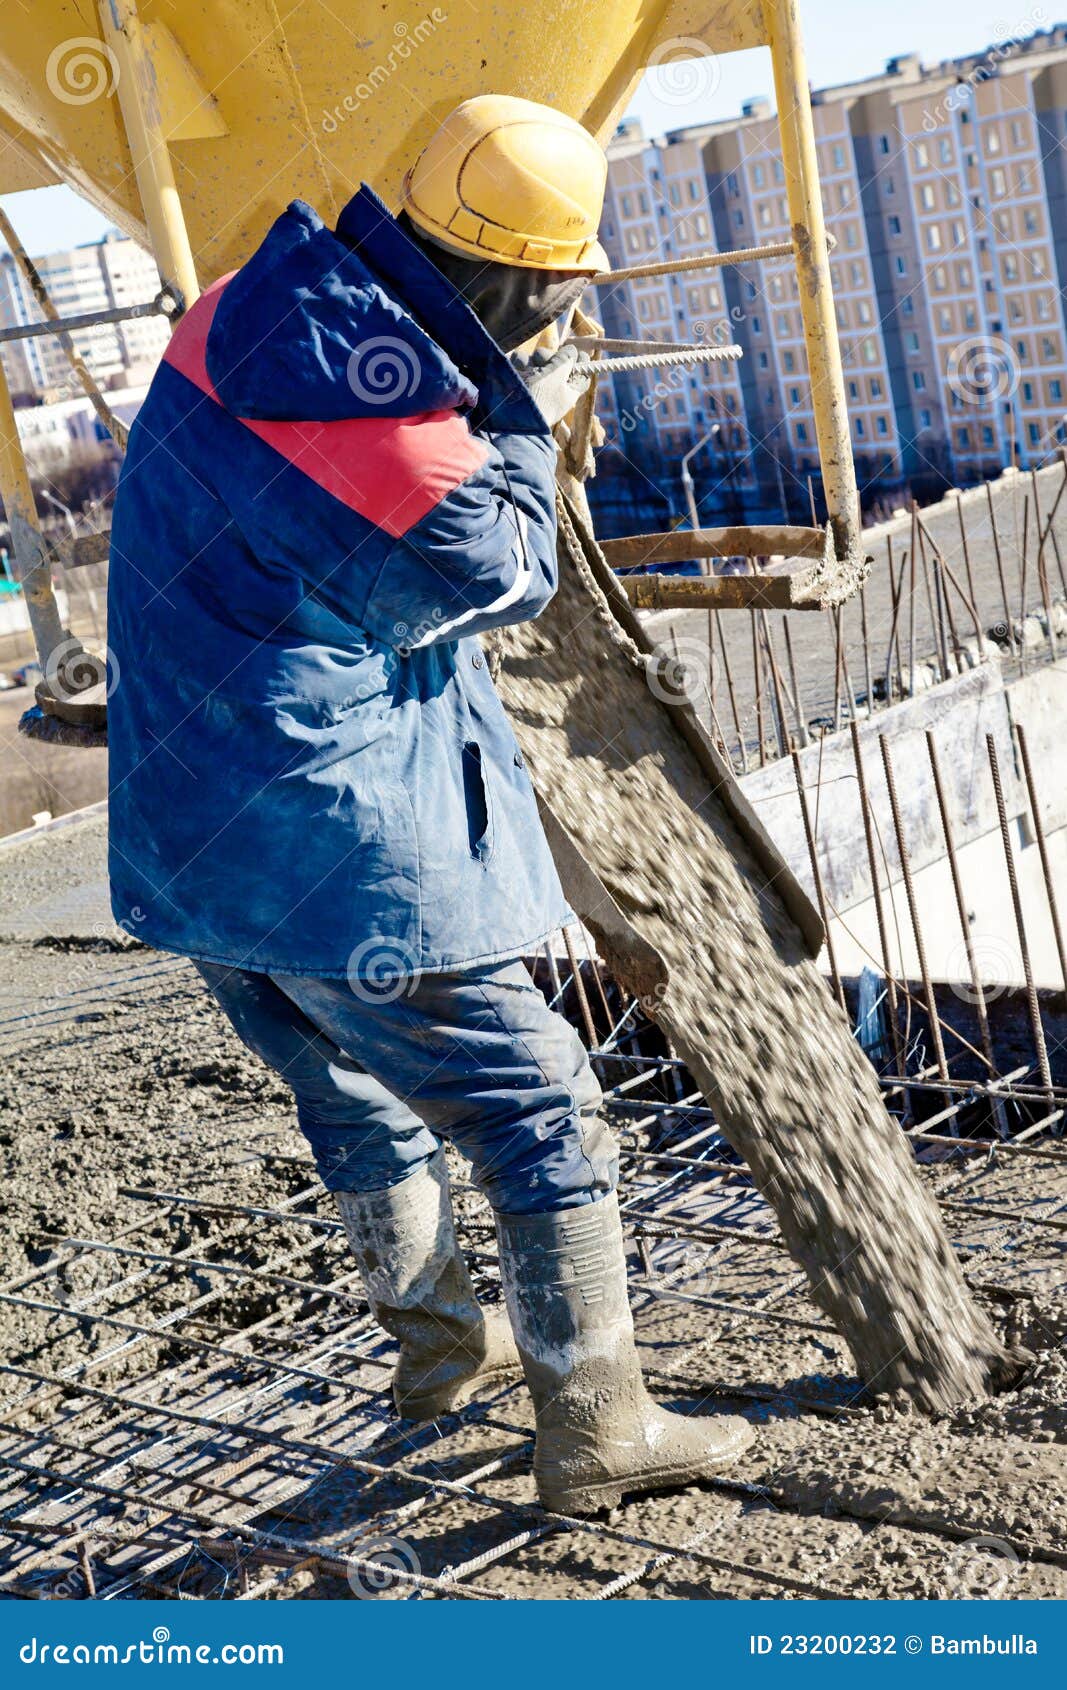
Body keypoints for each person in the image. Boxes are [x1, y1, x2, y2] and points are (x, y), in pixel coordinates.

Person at [107, 95, 753, 1515]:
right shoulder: (411, 454)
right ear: (528, 288)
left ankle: (439, 1359)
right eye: (557, 303)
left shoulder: (234, 316)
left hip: (189, 843)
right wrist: (530, 425)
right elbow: (509, 570)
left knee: (348, 1081)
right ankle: (597, 1421)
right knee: (541, 1102)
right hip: (328, 851)